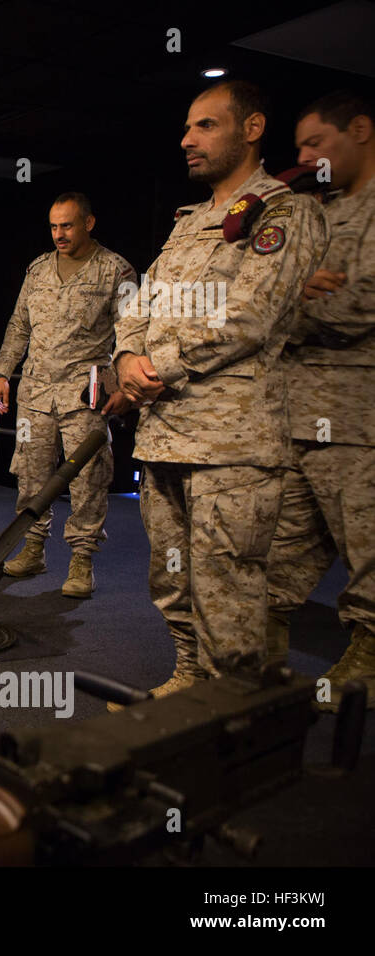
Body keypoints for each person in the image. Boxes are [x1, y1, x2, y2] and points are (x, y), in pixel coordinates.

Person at [112, 80, 329, 704]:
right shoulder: (187, 225)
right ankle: (188, 682)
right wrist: (127, 354)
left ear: (252, 128)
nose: (187, 139)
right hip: (163, 435)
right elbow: (137, 300)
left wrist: (158, 364)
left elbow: (250, 315)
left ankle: (231, 712)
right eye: (187, 128)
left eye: (205, 125)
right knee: (172, 580)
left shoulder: (287, 213)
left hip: (232, 442)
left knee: (226, 584)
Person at [268, 89, 375, 711]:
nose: (306, 155)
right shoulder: (320, 214)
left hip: (360, 422)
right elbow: (276, 294)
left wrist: (297, 304)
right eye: (300, 145)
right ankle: (254, 690)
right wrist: (298, 295)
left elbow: (358, 308)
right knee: (270, 568)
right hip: (300, 415)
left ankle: (366, 660)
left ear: (359, 129)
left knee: (367, 558)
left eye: (316, 142)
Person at [0, 193, 137, 597]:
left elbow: (130, 334)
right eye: (54, 226)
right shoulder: (38, 269)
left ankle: (82, 560)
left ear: (89, 223)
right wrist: (3, 372)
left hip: (84, 393)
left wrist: (122, 387)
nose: (59, 234)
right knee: (32, 476)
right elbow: (19, 325)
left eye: (68, 225)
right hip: (35, 391)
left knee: (87, 479)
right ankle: (34, 548)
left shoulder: (115, 270)